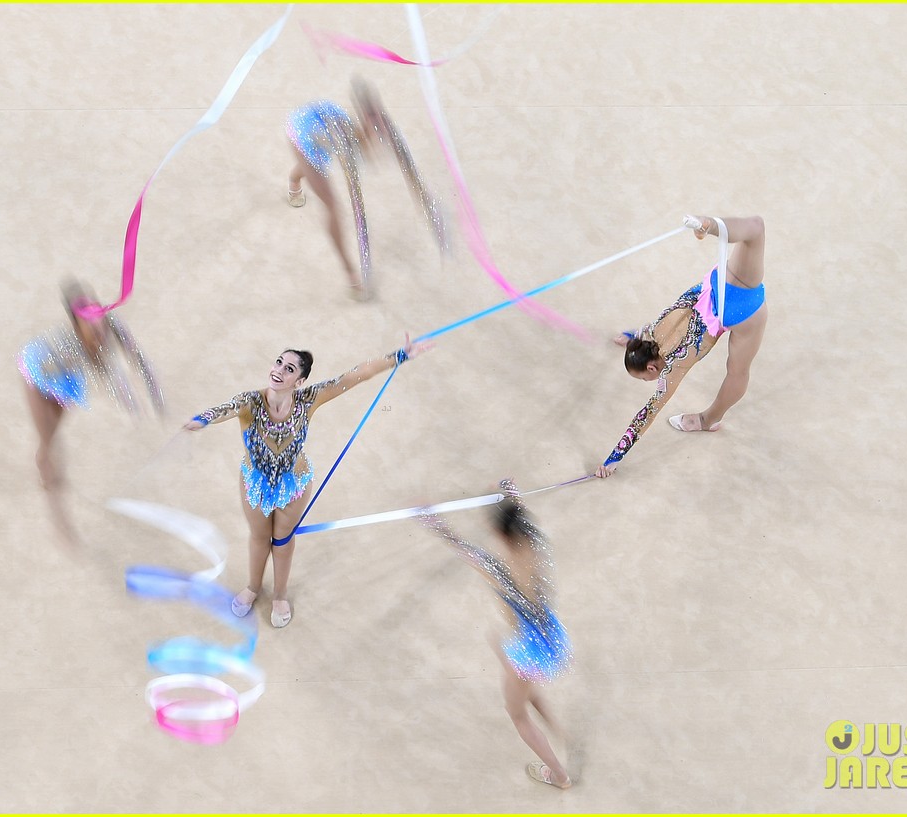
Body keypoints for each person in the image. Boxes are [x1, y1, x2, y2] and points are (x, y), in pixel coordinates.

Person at [183, 334, 432, 627]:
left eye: (289, 368)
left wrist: (398, 356)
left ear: (299, 381)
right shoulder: (250, 401)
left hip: (294, 485)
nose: (279, 370)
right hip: (255, 482)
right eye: (279, 362)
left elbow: (355, 376)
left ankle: (279, 594)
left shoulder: (309, 399)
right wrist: (202, 419)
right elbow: (223, 409)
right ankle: (253, 587)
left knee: (283, 541)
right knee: (259, 537)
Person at [419, 480, 573, 789]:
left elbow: (462, 547)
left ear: (501, 535)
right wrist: (512, 495)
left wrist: (432, 519)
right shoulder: (537, 543)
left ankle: (559, 775)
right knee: (521, 679)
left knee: (516, 712)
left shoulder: (501, 570)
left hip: (530, 651)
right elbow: (523, 521)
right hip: (552, 636)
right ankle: (557, 728)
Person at [596, 215, 767, 477]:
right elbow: (643, 333)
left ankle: (708, 420)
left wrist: (613, 458)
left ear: (653, 368)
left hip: (735, 301)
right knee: (755, 228)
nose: (649, 382)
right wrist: (629, 337)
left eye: (645, 378)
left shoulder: (670, 371)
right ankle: (709, 224)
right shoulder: (654, 330)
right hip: (728, 290)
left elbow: (647, 413)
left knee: (738, 371)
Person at [20, 280, 165, 540]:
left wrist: (154, 393)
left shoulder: (112, 323)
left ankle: (44, 456)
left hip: (64, 381)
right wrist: (130, 401)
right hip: (38, 376)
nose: (99, 332)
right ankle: (60, 518)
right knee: (51, 448)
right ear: (77, 326)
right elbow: (107, 372)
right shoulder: (71, 344)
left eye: (100, 324)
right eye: (91, 328)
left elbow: (137, 357)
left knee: (52, 438)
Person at [284, 78, 447, 300]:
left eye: (380, 127)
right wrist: (365, 270)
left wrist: (431, 212)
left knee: (317, 163)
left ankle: (295, 181)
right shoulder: (345, 143)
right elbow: (358, 210)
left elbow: (412, 176)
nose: (381, 138)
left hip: (324, 122)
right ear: (364, 122)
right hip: (303, 131)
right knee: (331, 203)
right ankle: (350, 274)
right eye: (374, 130)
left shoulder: (388, 130)